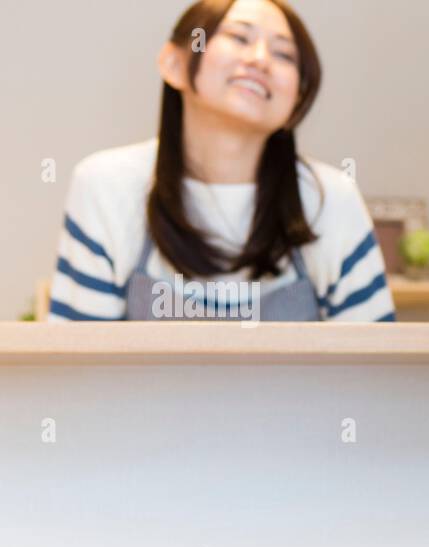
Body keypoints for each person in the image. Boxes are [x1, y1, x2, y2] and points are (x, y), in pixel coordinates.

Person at [49, 0, 393, 323]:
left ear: (297, 98)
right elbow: (76, 369)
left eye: (285, 55)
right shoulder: (106, 185)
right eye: (239, 37)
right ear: (175, 64)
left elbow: (377, 372)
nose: (260, 59)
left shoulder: (330, 198)